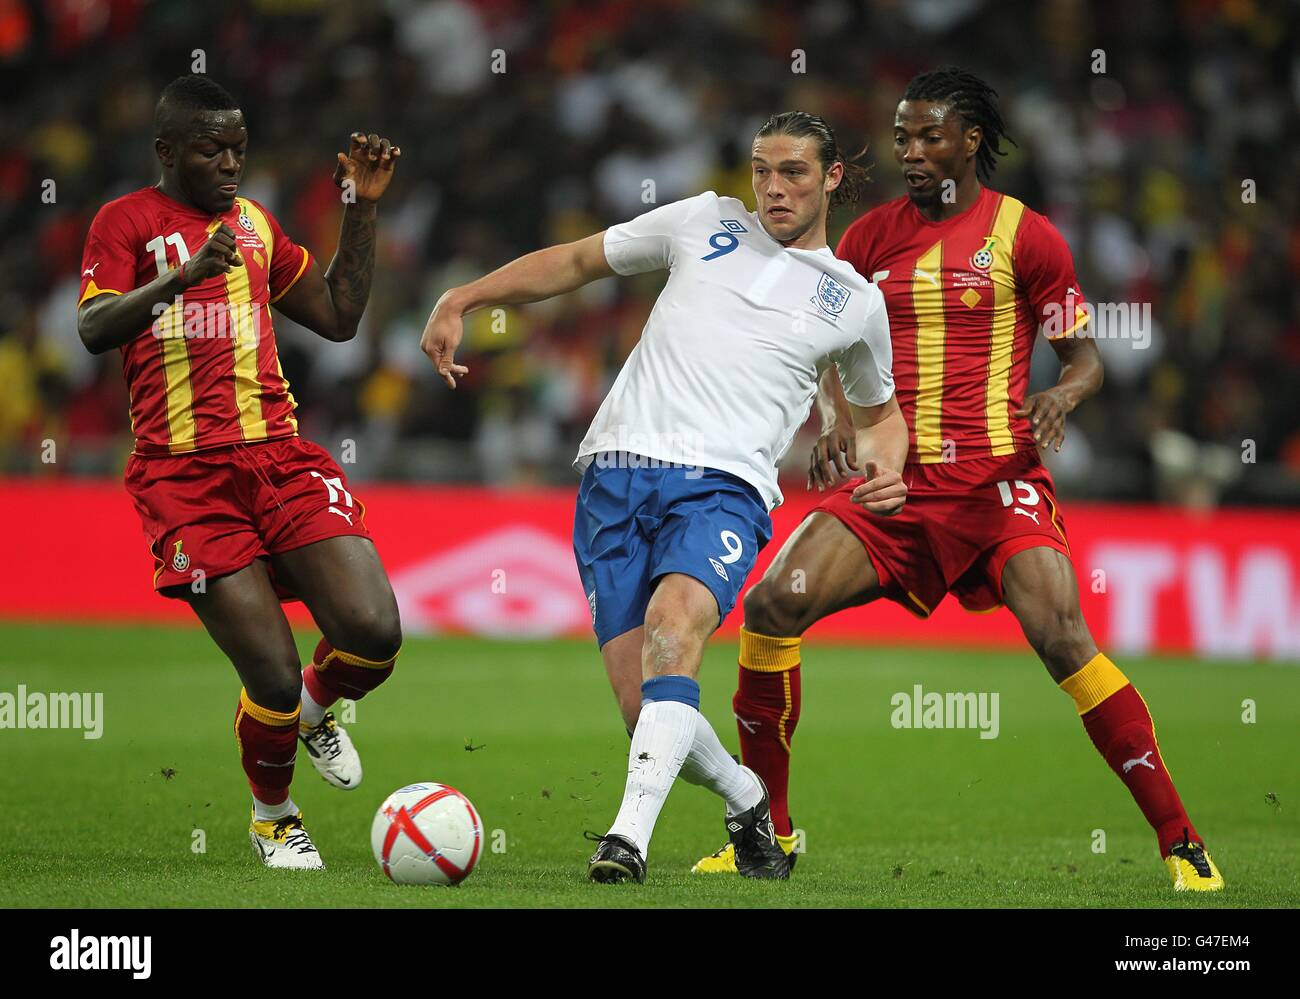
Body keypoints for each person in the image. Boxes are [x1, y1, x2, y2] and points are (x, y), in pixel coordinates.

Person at [693, 68, 1223, 893]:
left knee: (1063, 639)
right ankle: (769, 837)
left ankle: (1182, 843)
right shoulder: (869, 239)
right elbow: (824, 345)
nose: (910, 152)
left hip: (994, 485)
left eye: (927, 136)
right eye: (901, 137)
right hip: (894, 485)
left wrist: (1062, 394)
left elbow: (1085, 358)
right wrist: (835, 416)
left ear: (970, 141)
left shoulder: (1028, 237)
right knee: (771, 604)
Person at [421, 111, 905, 883]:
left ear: (832, 177)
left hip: (724, 487)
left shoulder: (854, 301)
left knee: (674, 630)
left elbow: (880, 416)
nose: (775, 187)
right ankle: (747, 798)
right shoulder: (703, 220)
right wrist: (465, 296)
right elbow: (578, 260)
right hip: (614, 474)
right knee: (642, 707)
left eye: (794, 172)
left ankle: (626, 839)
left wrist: (887, 469)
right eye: (763, 170)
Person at [76, 74, 403, 869]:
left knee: (373, 633)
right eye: (210, 150)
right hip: (183, 476)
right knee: (272, 673)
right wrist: (179, 278)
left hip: (279, 456)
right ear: (167, 152)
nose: (229, 164)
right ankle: (274, 817)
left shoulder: (255, 223)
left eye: (238, 149)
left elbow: (339, 316)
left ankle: (317, 711)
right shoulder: (124, 222)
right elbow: (93, 325)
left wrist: (360, 207)